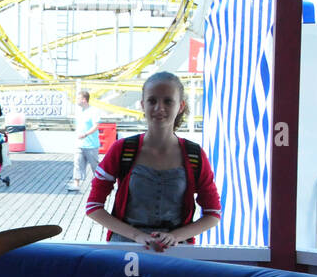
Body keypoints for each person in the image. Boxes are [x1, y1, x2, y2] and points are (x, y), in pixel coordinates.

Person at [85, 71, 221, 250]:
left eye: (168, 101)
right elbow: (93, 206)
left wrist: (175, 237)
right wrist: (137, 236)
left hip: (177, 255)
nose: (159, 108)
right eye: (152, 101)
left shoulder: (194, 155)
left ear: (180, 106)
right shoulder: (122, 150)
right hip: (126, 252)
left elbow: (213, 213)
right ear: (142, 105)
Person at [66, 90, 100, 192]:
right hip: (80, 144)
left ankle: (100, 184)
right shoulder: (80, 112)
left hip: (91, 144)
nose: (76, 100)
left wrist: (85, 134)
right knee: (77, 163)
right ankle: (76, 184)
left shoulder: (94, 111)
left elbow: (96, 126)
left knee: (95, 166)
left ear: (84, 100)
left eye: (78, 98)